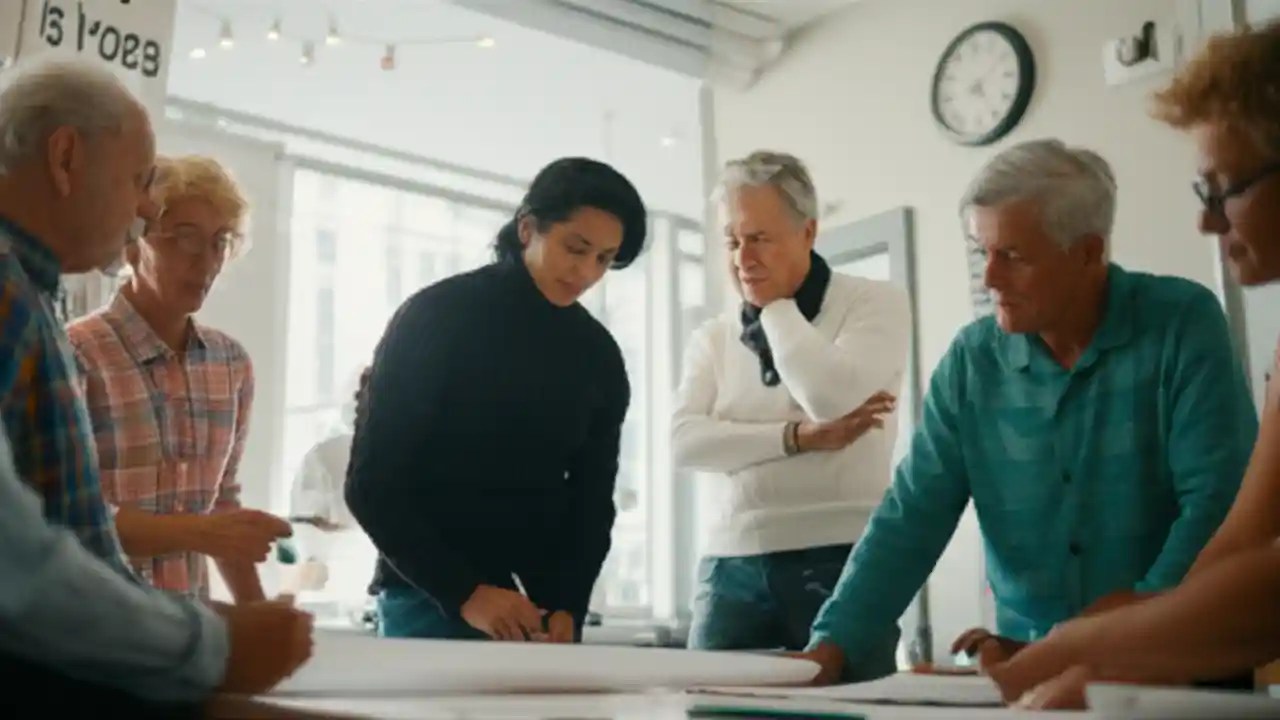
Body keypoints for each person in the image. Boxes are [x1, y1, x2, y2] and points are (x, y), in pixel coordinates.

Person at [792, 138, 1259, 683]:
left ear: (1088, 253)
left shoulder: (1182, 324)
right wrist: (831, 642)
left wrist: (1123, 633)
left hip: (1178, 668)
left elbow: (1218, 504)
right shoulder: (970, 363)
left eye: (1012, 256)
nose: (989, 278)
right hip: (1028, 674)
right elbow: (911, 516)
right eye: (980, 252)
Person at [980, 20, 1280, 709]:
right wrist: (1110, 668)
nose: (1208, 224)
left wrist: (1067, 655)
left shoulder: (1181, 319)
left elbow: (1269, 588)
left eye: (1223, 189)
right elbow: (1243, 544)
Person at [0, 57, 312, 713]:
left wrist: (243, 631)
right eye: (140, 181)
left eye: (220, 241)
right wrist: (214, 645)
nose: (143, 210)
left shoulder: (34, 303)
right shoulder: (22, 308)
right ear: (64, 158)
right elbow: (21, 564)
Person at [346, 157, 647, 643]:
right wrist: (466, 593)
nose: (587, 271)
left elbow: (593, 503)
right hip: (428, 597)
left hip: (538, 613)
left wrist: (569, 603)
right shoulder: (436, 316)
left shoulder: (599, 356)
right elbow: (372, 485)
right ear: (527, 228)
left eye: (605, 259)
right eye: (576, 248)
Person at [672, 150, 906, 669]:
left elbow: (830, 395)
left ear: (808, 232)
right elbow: (685, 442)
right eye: (731, 240)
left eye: (758, 238)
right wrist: (797, 437)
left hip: (841, 556)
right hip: (729, 563)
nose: (741, 258)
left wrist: (775, 307)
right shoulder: (713, 335)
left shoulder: (875, 303)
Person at [68, 154, 289, 603]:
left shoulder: (230, 364)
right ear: (133, 245)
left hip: (186, 641)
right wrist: (202, 532)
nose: (206, 261)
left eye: (219, 242)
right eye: (185, 238)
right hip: (87, 635)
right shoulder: (75, 353)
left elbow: (222, 505)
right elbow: (67, 519)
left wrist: (258, 614)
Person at [287, 366, 377, 609]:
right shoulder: (326, 457)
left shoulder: (423, 460)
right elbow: (309, 537)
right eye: (361, 397)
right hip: (335, 594)